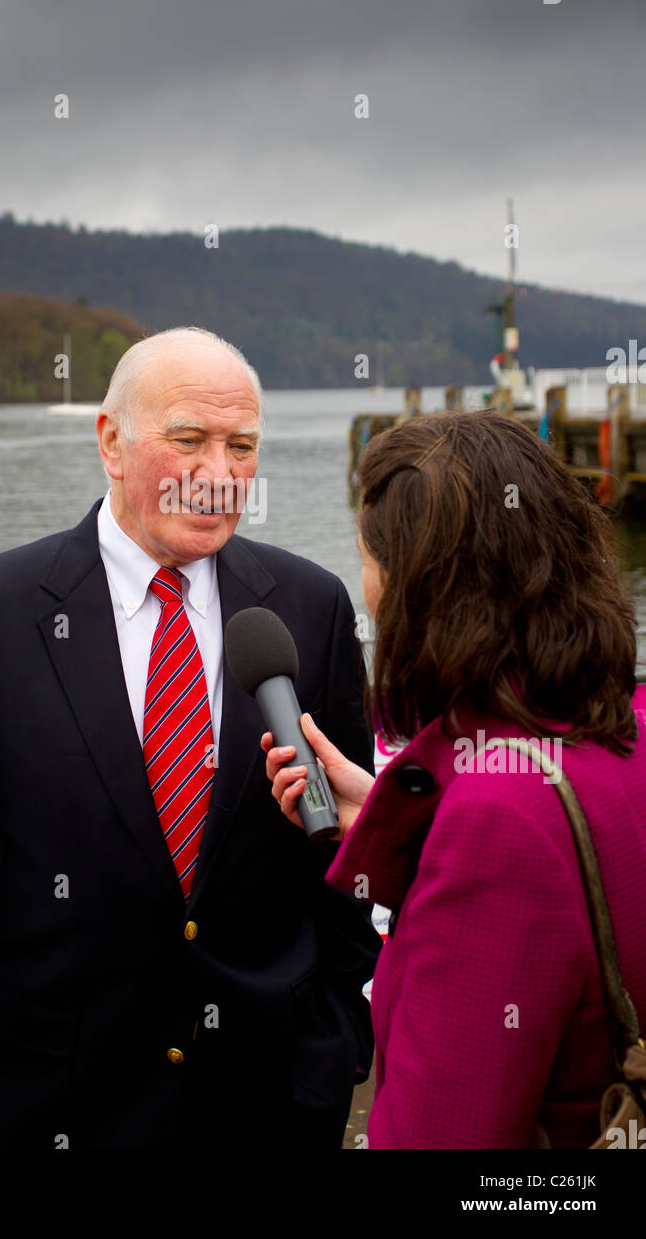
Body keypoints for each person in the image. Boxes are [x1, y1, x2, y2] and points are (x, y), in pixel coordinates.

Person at [0, 326, 380, 1150]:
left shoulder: (310, 604)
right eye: (189, 440)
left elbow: (345, 848)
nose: (219, 476)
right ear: (112, 442)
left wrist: (334, 1029)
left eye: (242, 446)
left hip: (271, 1096)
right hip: (60, 1098)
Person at [265, 410, 646, 1149]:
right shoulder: (624, 721)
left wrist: (460, 840)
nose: (366, 590)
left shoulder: (495, 826)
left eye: (370, 562)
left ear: (421, 591)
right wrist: (396, 822)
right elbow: (567, 911)